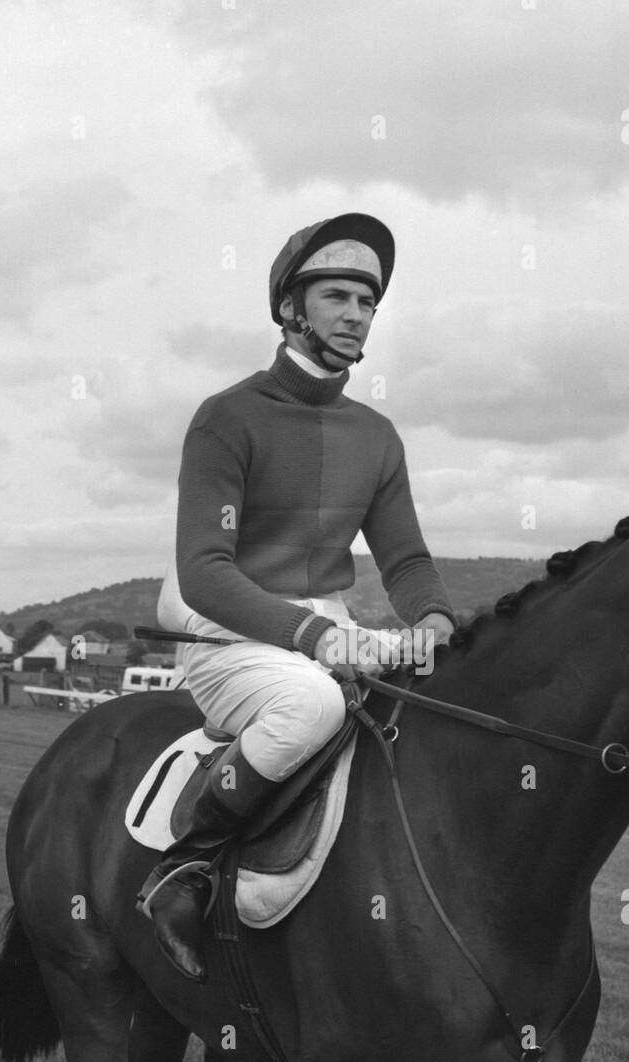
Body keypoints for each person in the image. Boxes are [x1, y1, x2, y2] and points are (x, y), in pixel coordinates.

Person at [138, 212, 457, 981]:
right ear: (292, 309)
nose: (356, 315)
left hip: (328, 627)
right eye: (338, 297)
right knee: (313, 706)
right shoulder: (226, 418)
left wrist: (437, 620)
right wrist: (314, 640)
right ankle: (185, 872)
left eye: (368, 302)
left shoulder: (376, 436)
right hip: (223, 629)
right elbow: (208, 571)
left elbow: (405, 558)